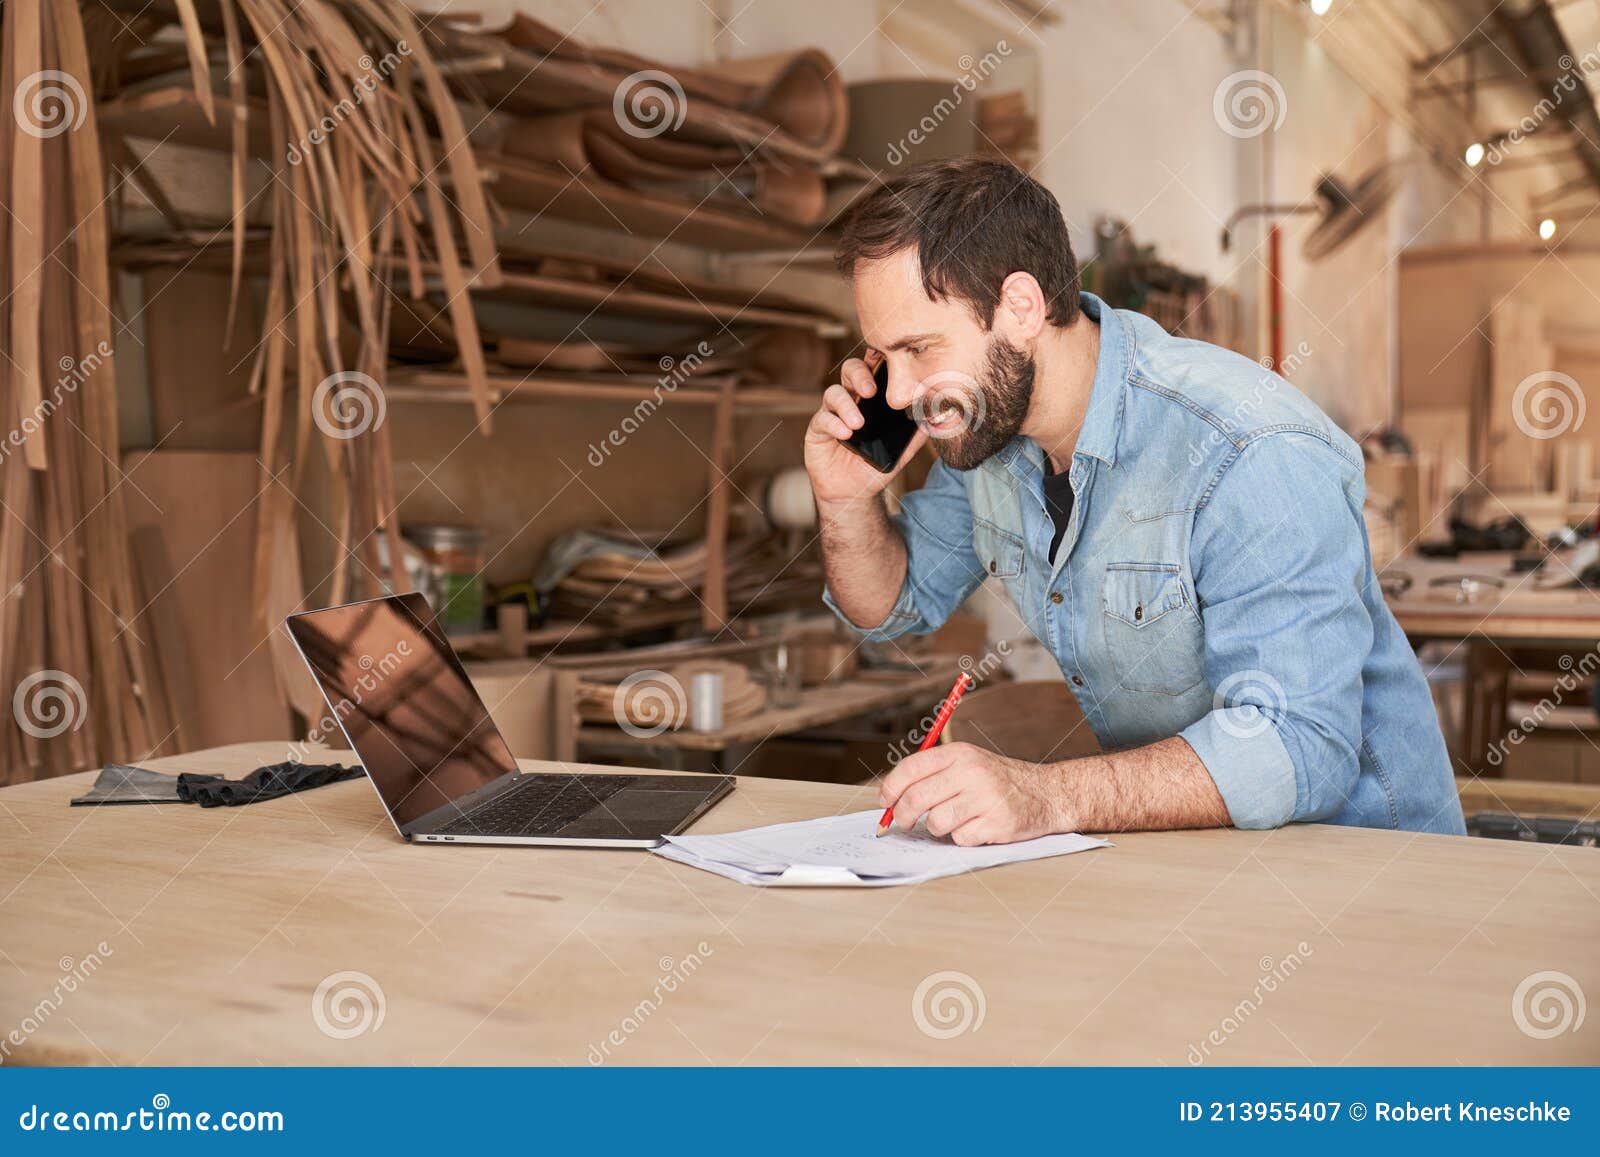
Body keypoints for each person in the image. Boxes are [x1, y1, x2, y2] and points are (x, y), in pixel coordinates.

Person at [807, 155, 1464, 845]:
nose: (901, 391)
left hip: (1366, 870)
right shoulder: (987, 436)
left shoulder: (1249, 450)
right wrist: (844, 499)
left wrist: (1045, 795)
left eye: (918, 347)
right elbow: (891, 607)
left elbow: (1298, 746)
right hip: (1198, 853)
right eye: (885, 355)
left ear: (1021, 308)